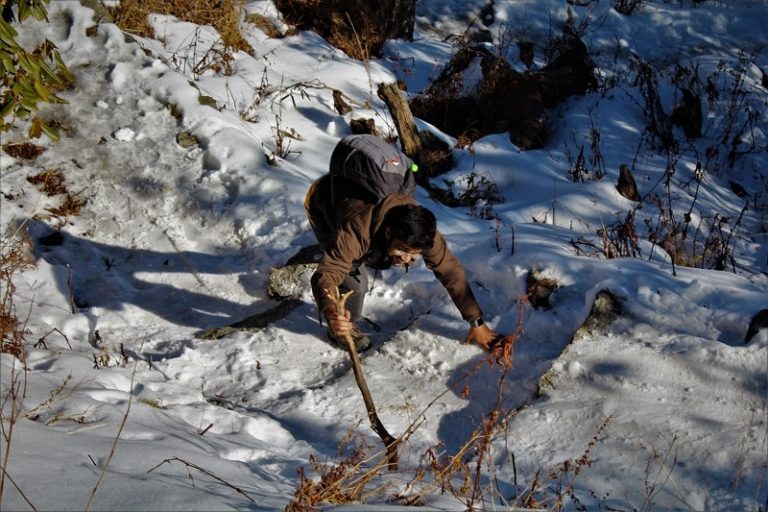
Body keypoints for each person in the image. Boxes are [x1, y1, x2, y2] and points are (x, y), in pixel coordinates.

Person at [304, 137, 498, 352]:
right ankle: (342, 329)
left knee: (358, 258)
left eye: (414, 254)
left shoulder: (422, 230)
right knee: (356, 284)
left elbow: (451, 271)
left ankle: (339, 255)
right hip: (322, 202)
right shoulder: (358, 231)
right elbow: (327, 274)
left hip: (356, 211)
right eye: (403, 250)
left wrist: (476, 322)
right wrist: (332, 312)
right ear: (388, 232)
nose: (406, 260)